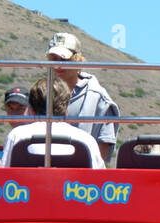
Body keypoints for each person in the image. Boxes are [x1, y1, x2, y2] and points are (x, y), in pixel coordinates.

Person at [46, 31, 119, 164]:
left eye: (64, 59)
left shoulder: (99, 99)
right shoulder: (42, 93)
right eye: (54, 59)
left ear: (78, 60)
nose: (58, 65)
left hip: (79, 179)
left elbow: (101, 155)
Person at [0, 77, 104, 169]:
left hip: (31, 190)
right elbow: (98, 180)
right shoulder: (86, 140)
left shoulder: (17, 136)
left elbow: (5, 176)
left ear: (30, 110)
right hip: (69, 190)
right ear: (67, 110)